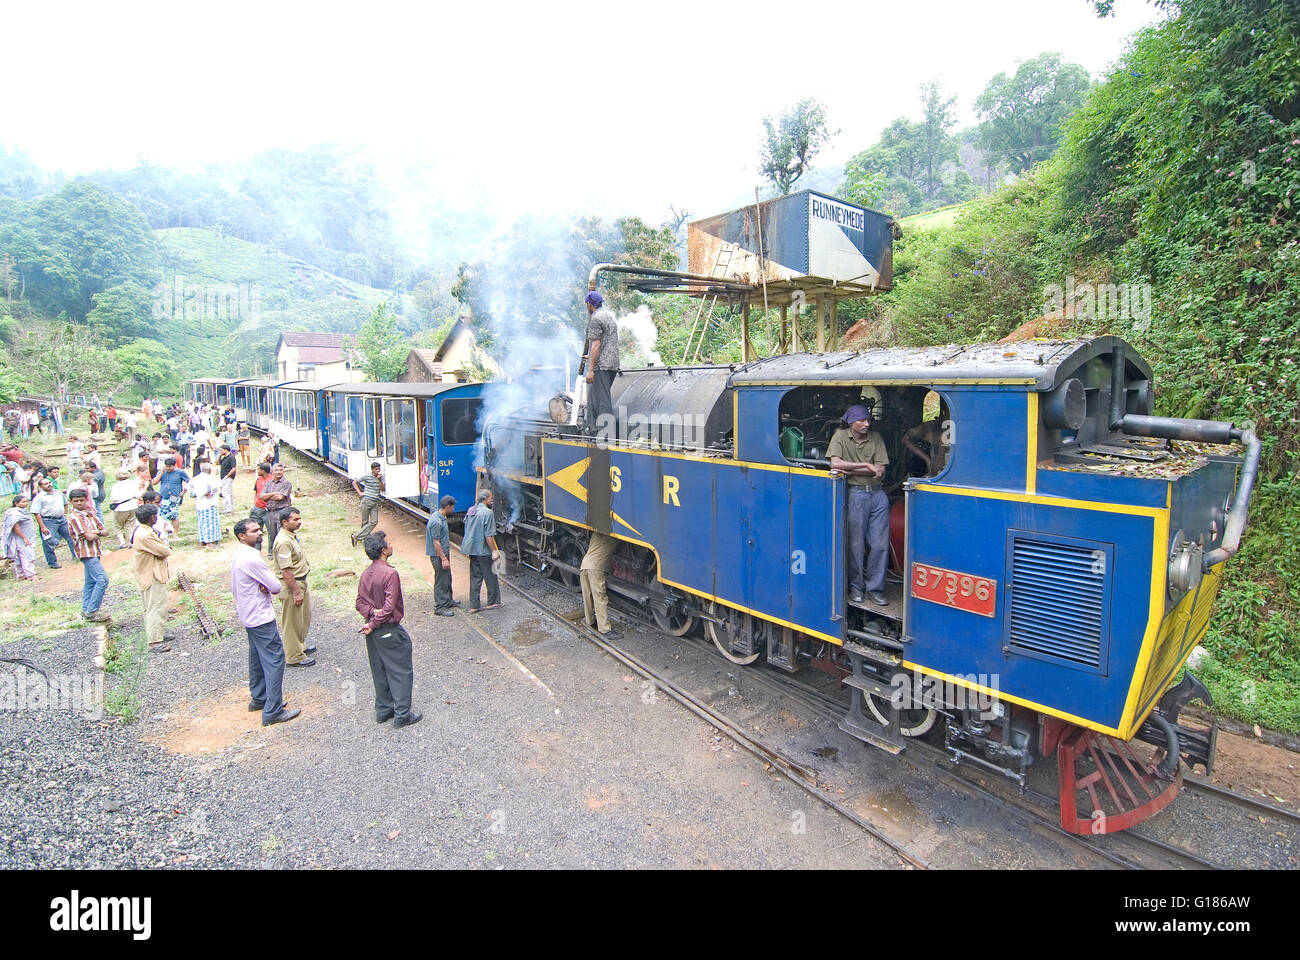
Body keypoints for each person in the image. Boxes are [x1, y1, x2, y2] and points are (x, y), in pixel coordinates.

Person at [230, 518, 299, 727]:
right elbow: (275, 586)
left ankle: (259, 698)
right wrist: (266, 585)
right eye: (254, 531)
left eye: (259, 529)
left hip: (247, 613)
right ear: (242, 536)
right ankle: (273, 710)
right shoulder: (252, 558)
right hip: (260, 616)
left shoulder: (239, 554)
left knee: (256, 657)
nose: (260, 533)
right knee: (274, 658)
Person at [355, 531, 420, 727]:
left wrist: (370, 617)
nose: (391, 546)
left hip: (373, 632)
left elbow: (359, 603)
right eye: (389, 543)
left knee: (379, 669)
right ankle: (402, 715)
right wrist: (375, 620)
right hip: (388, 628)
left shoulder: (366, 573)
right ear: (384, 550)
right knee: (400, 670)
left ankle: (383, 711)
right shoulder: (390, 573)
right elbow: (389, 607)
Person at [829, 404, 891, 606]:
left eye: (868, 420)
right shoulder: (840, 437)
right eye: (862, 420)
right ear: (851, 422)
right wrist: (865, 465)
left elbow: (880, 470)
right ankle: (857, 587)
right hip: (855, 495)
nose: (866, 424)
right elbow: (835, 464)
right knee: (855, 545)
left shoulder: (877, 438)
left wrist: (852, 469)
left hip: (877, 494)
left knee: (880, 545)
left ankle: (875, 588)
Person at [273, 507, 316, 667]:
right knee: (292, 622)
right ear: (285, 522)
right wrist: (296, 592)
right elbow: (286, 570)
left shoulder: (290, 536)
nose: (300, 522)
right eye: (295, 520)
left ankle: (300, 646)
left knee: (302, 619)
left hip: (300, 582)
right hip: (293, 585)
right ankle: (294, 656)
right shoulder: (283, 542)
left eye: (299, 519)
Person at [131, 503, 171, 650]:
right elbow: (164, 551)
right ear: (152, 517)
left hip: (150, 573)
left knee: (153, 605)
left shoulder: (143, 530)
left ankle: (157, 633)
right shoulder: (145, 535)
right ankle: (154, 641)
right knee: (156, 606)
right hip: (151, 575)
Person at [68, 488, 110, 622]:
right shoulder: (75, 517)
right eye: (76, 501)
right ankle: (92, 611)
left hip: (95, 551)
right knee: (102, 580)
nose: (79, 503)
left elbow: (106, 531)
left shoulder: (90, 514)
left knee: (90, 582)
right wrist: (97, 532)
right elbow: (89, 536)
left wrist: (95, 531)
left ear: (87, 500)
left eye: (82, 500)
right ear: (71, 502)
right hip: (86, 552)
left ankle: (86, 609)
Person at [582, 290, 619, 436]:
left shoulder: (596, 318)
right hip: (613, 363)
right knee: (598, 397)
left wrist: (590, 369)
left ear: (590, 304)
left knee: (602, 399)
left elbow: (596, 344)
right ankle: (595, 430)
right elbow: (606, 342)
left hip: (601, 365)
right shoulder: (610, 316)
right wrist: (590, 357)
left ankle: (605, 433)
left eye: (587, 304)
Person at [462, 489, 502, 612]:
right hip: (483, 550)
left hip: (472, 549)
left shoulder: (471, 510)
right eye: (490, 498)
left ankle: (474, 605)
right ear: (485, 499)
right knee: (490, 576)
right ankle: (493, 602)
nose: (492, 500)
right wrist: (494, 551)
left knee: (475, 578)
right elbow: (488, 536)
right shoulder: (488, 513)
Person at [580, 531, 622, 639]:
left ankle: (590, 622)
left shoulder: (595, 534)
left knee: (587, 596)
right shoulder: (614, 535)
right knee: (600, 597)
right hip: (596, 568)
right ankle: (605, 630)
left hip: (584, 565)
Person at [31, 477, 75, 568]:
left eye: (49, 482)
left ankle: (77, 555)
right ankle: (52, 562)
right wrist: (42, 526)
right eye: (46, 484)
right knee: (48, 541)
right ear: (41, 486)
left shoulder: (58, 493)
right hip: (48, 521)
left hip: (61, 519)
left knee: (71, 536)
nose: (49, 484)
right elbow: (36, 513)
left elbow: (65, 503)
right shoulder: (39, 497)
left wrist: (64, 514)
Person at [425, 495, 458, 617]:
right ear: (448, 506)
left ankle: (448, 600)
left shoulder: (441, 517)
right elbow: (436, 542)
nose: (454, 509)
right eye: (453, 507)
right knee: (441, 580)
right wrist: (443, 558)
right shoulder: (436, 521)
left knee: (447, 577)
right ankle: (440, 606)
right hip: (438, 556)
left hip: (443, 554)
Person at [3, 494, 38, 580]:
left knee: (24, 555)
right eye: (23, 502)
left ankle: (23, 574)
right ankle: (30, 575)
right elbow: (16, 527)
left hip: (28, 536)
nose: (26, 503)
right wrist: (24, 538)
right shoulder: (14, 514)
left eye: (26, 502)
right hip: (21, 538)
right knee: (26, 555)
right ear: (16, 503)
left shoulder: (24, 512)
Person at [350, 461, 385, 546]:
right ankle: (363, 539)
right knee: (365, 521)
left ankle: (356, 536)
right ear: (372, 470)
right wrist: (359, 493)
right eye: (376, 469)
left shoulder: (381, 477)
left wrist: (379, 480)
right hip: (366, 500)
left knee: (374, 521)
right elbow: (354, 482)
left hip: (375, 501)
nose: (378, 471)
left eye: (379, 469)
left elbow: (382, 489)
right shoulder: (367, 476)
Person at [152, 457, 191, 533]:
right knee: (161, 514)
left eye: (170, 466)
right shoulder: (162, 472)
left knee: (174, 514)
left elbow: (189, 481)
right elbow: (154, 482)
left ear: (174, 465)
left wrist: (183, 492)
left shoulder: (180, 472)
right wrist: (161, 473)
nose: (168, 468)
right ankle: (163, 531)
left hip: (174, 496)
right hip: (163, 496)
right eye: (167, 466)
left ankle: (175, 533)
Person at [261, 463, 293, 550]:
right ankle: (271, 552)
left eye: (280, 470)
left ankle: (284, 551)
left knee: (282, 533)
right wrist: (274, 493)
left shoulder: (286, 483)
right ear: (272, 472)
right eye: (276, 470)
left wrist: (268, 496)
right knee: (271, 533)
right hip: (270, 511)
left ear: (283, 471)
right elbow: (262, 496)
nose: (278, 472)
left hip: (282, 511)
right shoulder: (268, 483)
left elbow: (280, 497)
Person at [189, 462, 221, 548]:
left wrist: (195, 494)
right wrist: (207, 493)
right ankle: (209, 542)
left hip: (200, 503)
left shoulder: (195, 478)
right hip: (210, 503)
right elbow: (217, 486)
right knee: (210, 523)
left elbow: (188, 488)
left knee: (202, 523)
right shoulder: (211, 478)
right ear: (210, 470)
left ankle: (203, 540)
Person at [108, 468, 141, 549]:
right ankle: (131, 541)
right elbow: (137, 495)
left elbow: (114, 498)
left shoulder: (116, 486)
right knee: (130, 525)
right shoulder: (132, 484)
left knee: (118, 526)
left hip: (120, 508)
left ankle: (122, 542)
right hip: (132, 506)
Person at [249, 462, 272, 548]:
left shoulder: (272, 480)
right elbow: (256, 491)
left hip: (268, 510)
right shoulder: (258, 479)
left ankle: (271, 552)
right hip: (257, 509)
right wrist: (254, 504)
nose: (257, 471)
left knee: (271, 532)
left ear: (263, 470)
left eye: (258, 469)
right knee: (255, 531)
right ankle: (256, 550)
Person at [218, 445, 237, 514]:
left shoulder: (231, 457)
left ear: (226, 450)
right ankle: (231, 507)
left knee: (226, 493)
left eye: (221, 450)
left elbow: (234, 468)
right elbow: (217, 463)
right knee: (228, 492)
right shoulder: (224, 458)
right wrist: (220, 456)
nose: (220, 451)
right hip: (223, 477)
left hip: (227, 477)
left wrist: (227, 476)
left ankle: (227, 508)